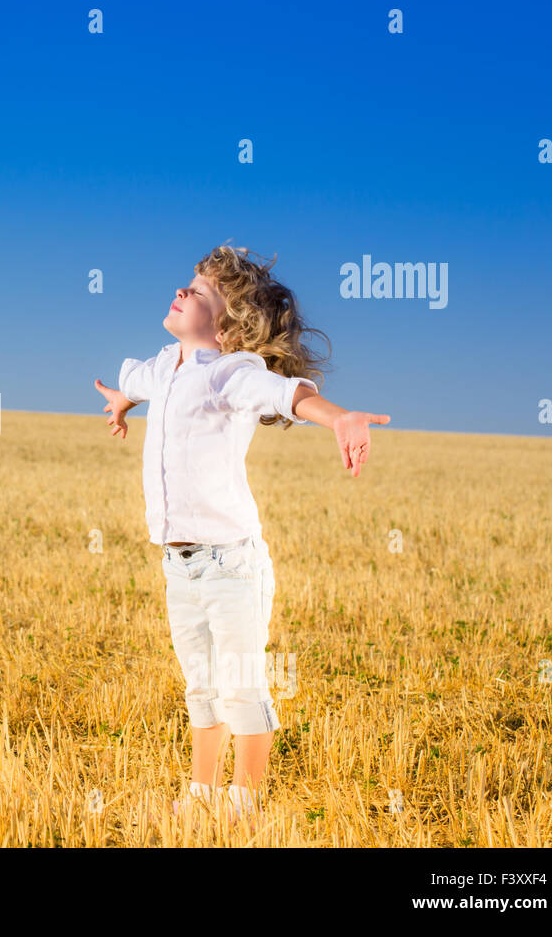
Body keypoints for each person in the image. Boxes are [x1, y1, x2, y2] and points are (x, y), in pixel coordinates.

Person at [94, 245, 391, 823]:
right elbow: (137, 376)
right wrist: (123, 400)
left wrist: (337, 417)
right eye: (189, 283)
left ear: (228, 330)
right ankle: (200, 795)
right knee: (200, 689)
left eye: (200, 293)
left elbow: (287, 395)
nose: (184, 291)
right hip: (178, 566)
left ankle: (244, 803)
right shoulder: (168, 362)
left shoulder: (231, 373)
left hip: (231, 566)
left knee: (240, 689)